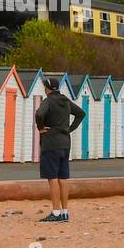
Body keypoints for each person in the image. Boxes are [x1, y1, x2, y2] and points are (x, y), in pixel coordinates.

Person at [34, 76, 86, 221]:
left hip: (51, 144)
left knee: (52, 178)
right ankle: (64, 212)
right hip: (65, 143)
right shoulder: (65, 101)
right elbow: (81, 114)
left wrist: (41, 128)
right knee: (63, 178)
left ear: (47, 89)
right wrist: (69, 129)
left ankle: (55, 212)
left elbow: (39, 114)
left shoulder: (48, 101)